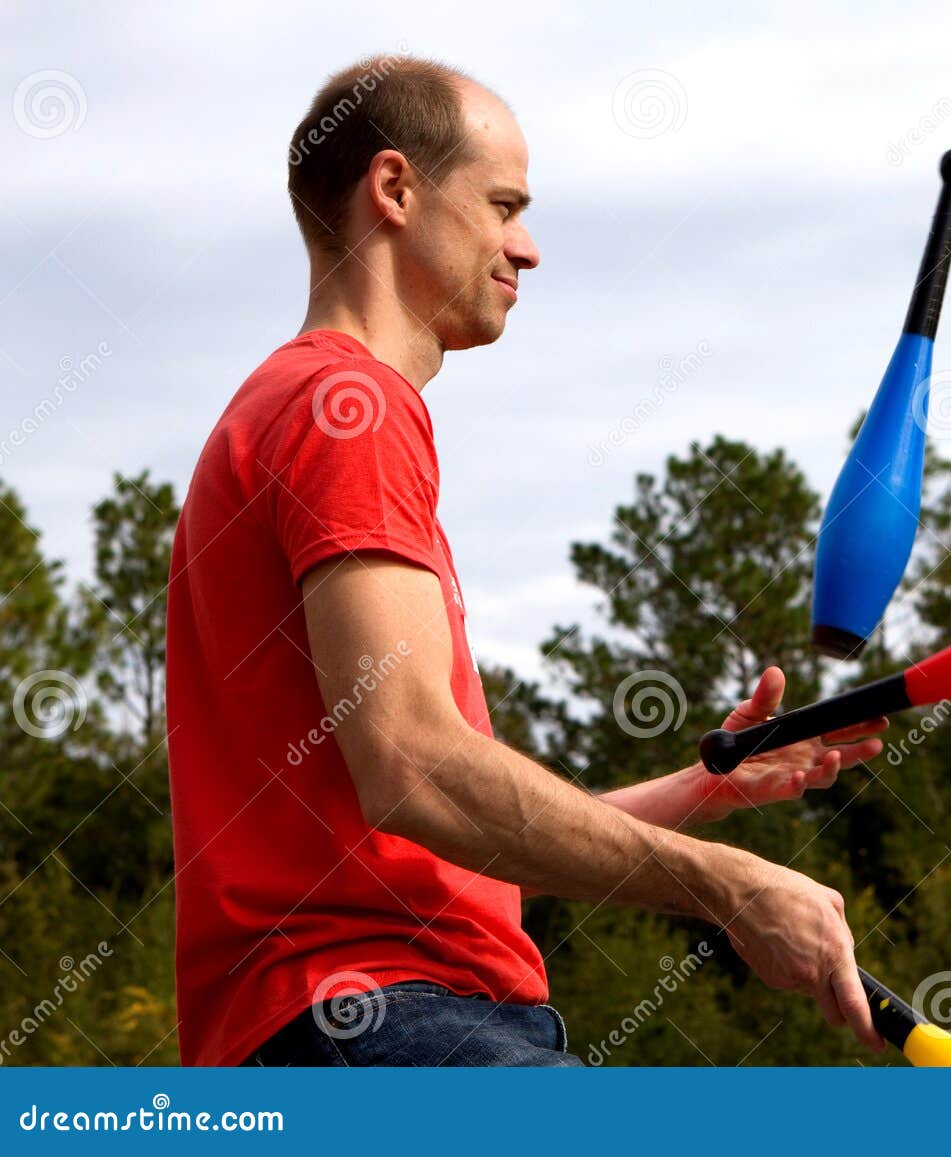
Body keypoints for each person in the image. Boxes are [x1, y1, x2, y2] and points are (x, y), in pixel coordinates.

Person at [165, 55, 887, 1067]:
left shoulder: (289, 411)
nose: (528, 247)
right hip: (384, 1023)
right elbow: (418, 766)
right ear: (395, 189)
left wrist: (699, 787)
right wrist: (729, 883)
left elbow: (445, 831)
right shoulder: (350, 411)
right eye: (503, 204)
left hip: (344, 1031)